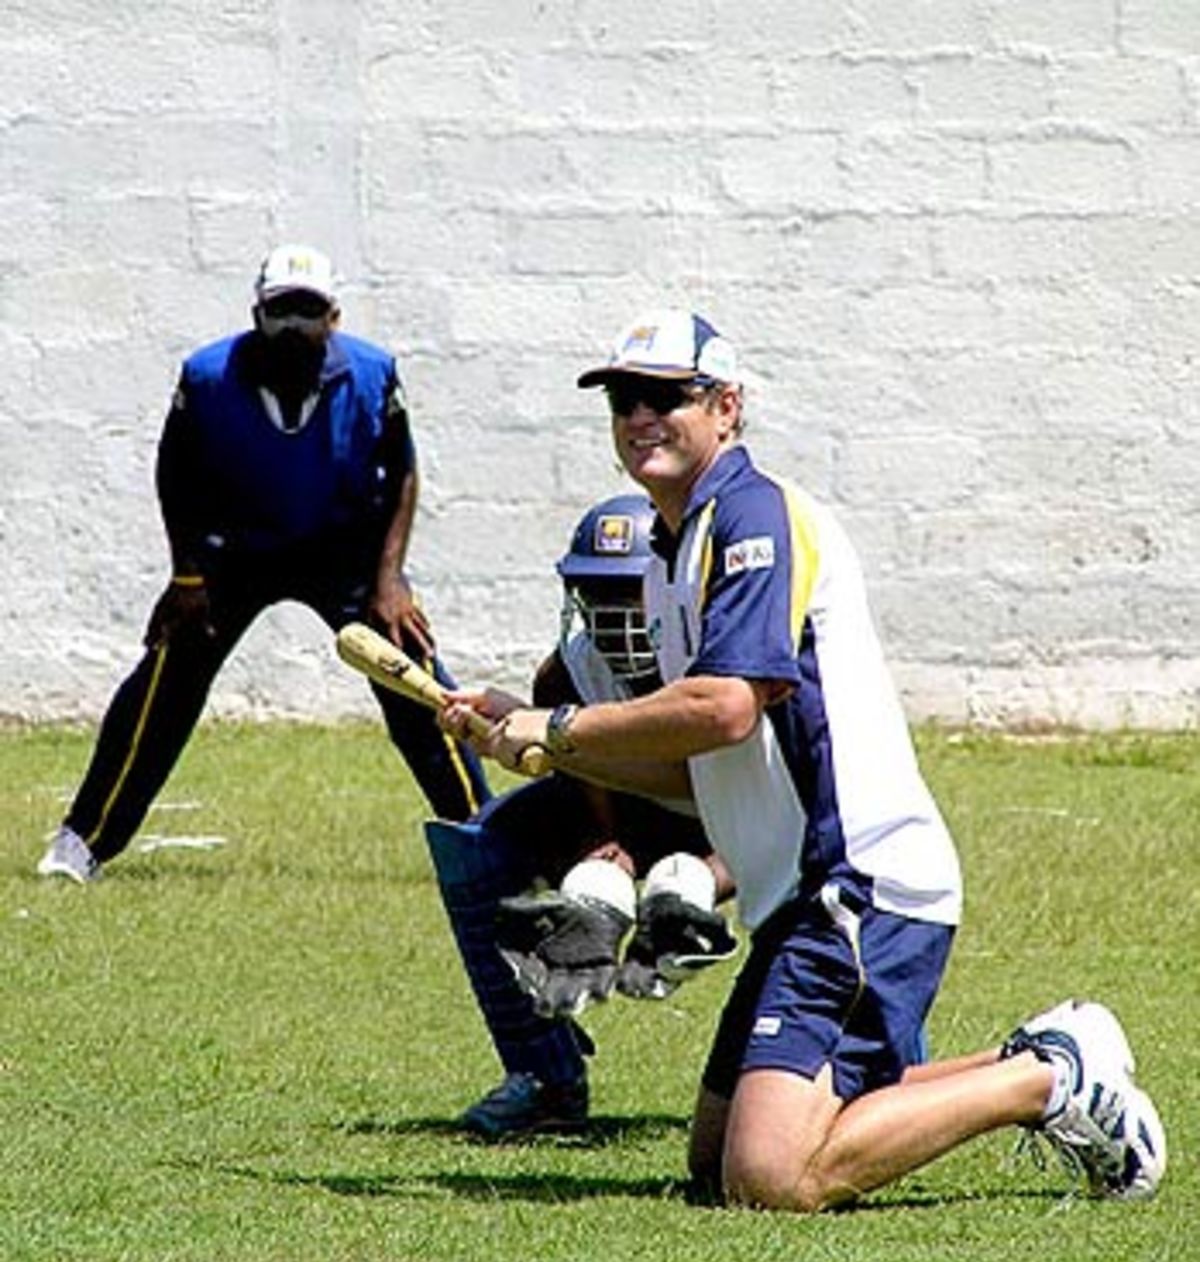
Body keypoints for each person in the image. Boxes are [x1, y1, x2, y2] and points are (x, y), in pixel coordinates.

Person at [441, 309, 1166, 1204]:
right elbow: (690, 770)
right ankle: (1050, 1052)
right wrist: (548, 747)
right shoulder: (676, 549)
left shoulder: (754, 515)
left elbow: (727, 707)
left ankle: (1049, 1084)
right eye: (626, 399)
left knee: (772, 1174)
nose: (641, 417)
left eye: (668, 397)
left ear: (727, 407)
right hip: (796, 898)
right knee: (713, 1166)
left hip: (857, 882)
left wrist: (558, 729)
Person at [37, 244, 489, 884]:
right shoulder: (206, 376)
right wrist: (186, 576)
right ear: (257, 313)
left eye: (308, 312)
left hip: (342, 547)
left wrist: (391, 581)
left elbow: (404, 474)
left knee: (411, 675)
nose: (293, 327)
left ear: (333, 316)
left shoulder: (373, 372)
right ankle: (84, 840)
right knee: (166, 678)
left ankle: (485, 836)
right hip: (237, 547)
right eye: (281, 311)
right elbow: (176, 473)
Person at [426, 492, 736, 1140]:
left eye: (627, 592)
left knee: (831, 880)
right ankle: (543, 1078)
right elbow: (579, 761)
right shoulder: (566, 671)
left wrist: (702, 879)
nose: (612, 613)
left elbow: (774, 800)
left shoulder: (726, 655)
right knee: (480, 846)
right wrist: (604, 844)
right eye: (594, 591)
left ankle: (866, 1073)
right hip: (635, 811)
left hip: (744, 819)